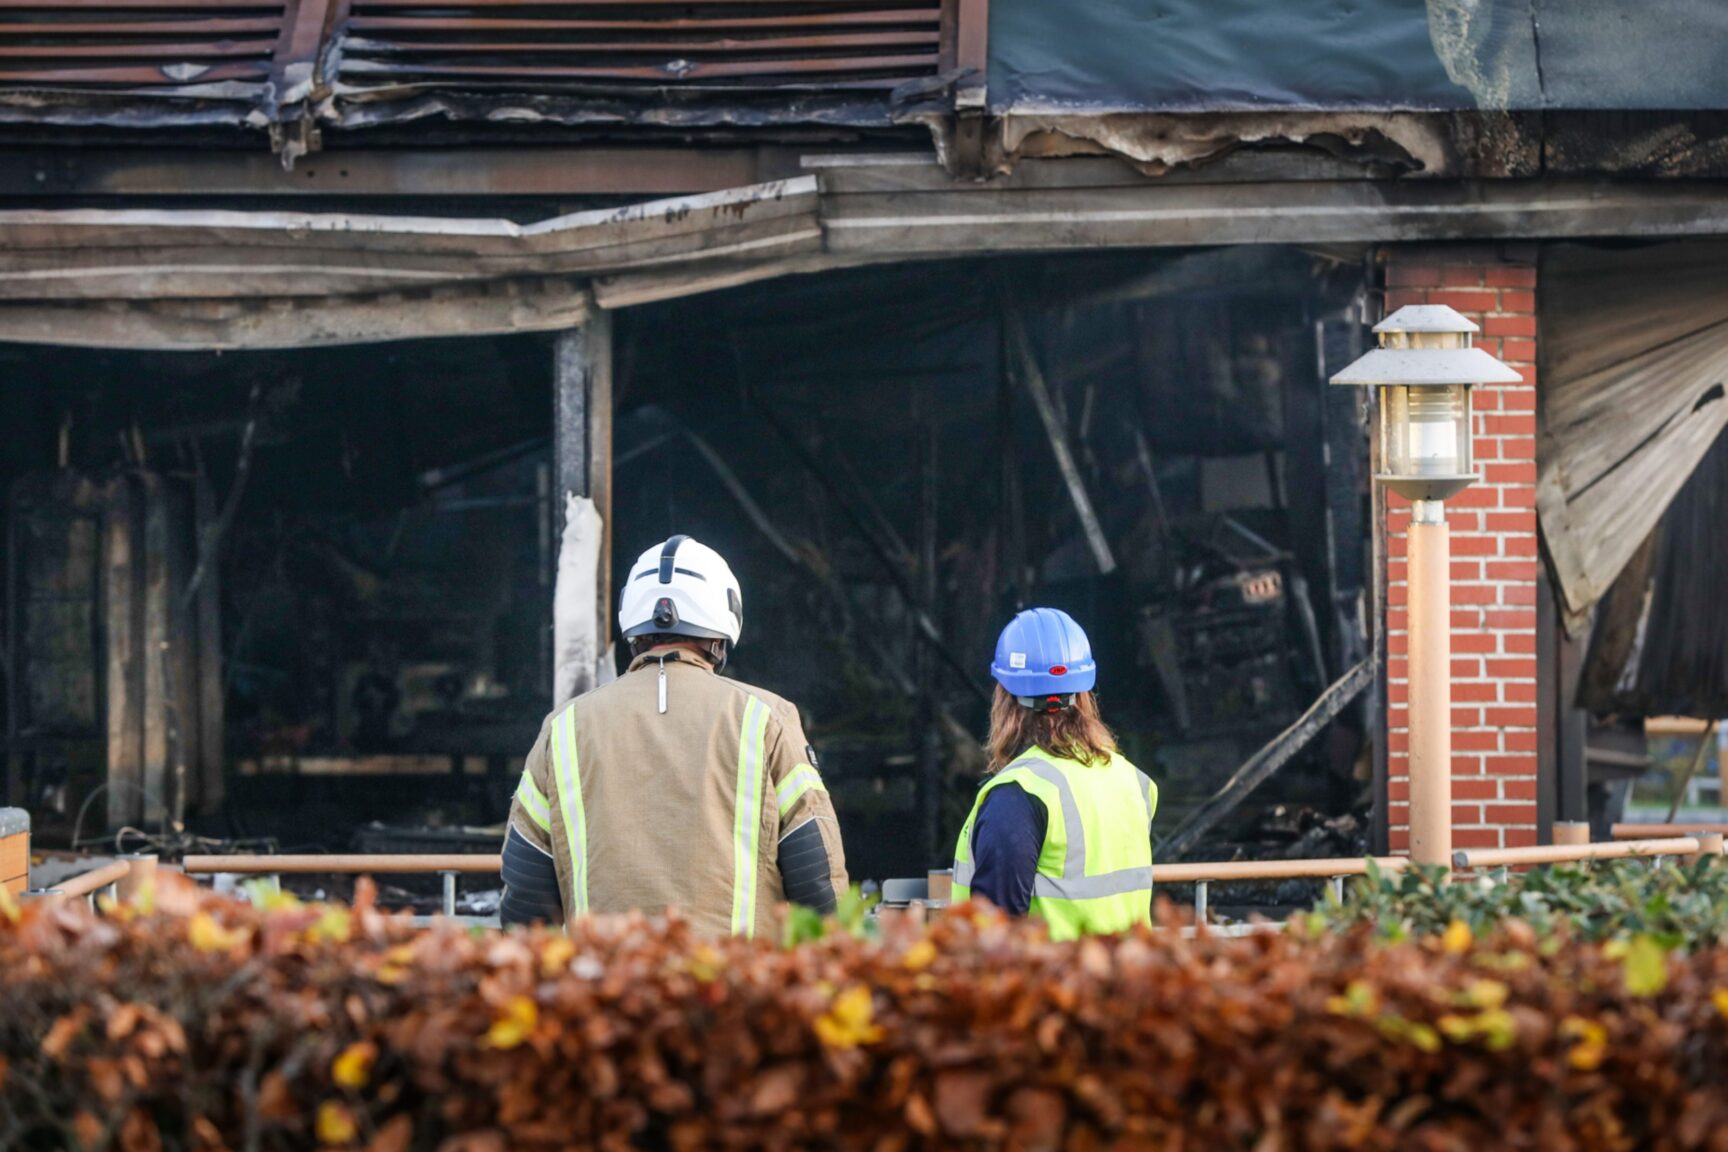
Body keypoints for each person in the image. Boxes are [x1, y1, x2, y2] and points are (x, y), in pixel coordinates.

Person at [499, 534, 848, 935]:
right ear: (724, 623)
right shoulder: (765, 717)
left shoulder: (563, 728)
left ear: (632, 622)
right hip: (734, 987)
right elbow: (816, 875)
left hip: (604, 988)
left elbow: (525, 895)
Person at [951, 607, 1157, 940]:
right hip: (1130, 981)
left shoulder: (1018, 795)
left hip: (1056, 987)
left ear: (1004, 698)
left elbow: (995, 936)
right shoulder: (1131, 780)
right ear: (1084, 694)